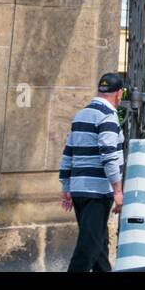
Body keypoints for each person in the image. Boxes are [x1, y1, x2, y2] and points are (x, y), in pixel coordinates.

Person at [59, 72, 125, 272]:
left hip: (80, 190)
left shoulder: (81, 114)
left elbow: (68, 153)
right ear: (118, 93)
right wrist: (118, 190)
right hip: (97, 192)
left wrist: (67, 187)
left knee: (99, 246)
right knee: (88, 248)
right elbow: (108, 154)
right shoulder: (108, 117)